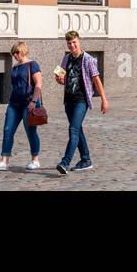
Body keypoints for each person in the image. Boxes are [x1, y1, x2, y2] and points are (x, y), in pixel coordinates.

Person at [53, 30, 108, 174]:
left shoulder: (88, 59)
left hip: (81, 101)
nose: (72, 45)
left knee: (73, 130)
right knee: (78, 130)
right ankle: (86, 160)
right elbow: (60, 77)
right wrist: (58, 79)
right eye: (69, 43)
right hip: (68, 100)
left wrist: (104, 100)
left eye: (74, 42)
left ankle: (65, 162)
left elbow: (96, 80)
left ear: (79, 41)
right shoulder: (66, 59)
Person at [0, 41, 42, 171]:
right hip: (14, 104)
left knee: (30, 132)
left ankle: (35, 160)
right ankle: (5, 161)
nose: (15, 55)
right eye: (13, 53)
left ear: (23, 51)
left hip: (28, 103)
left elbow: (38, 84)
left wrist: (34, 101)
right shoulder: (15, 67)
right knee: (7, 130)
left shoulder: (32, 65)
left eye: (17, 52)